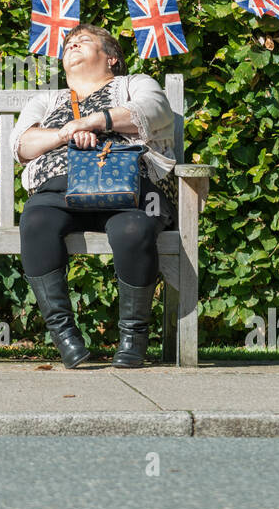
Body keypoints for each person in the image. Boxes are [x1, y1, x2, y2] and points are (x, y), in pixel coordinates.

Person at [10, 23, 178, 368]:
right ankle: (65, 337)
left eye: (83, 41)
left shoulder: (134, 84)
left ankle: (133, 337)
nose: (72, 45)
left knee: (133, 230)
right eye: (69, 43)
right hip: (59, 188)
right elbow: (22, 144)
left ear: (112, 58)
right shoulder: (47, 99)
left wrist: (95, 122)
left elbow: (156, 111)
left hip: (128, 190)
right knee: (36, 221)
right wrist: (65, 133)